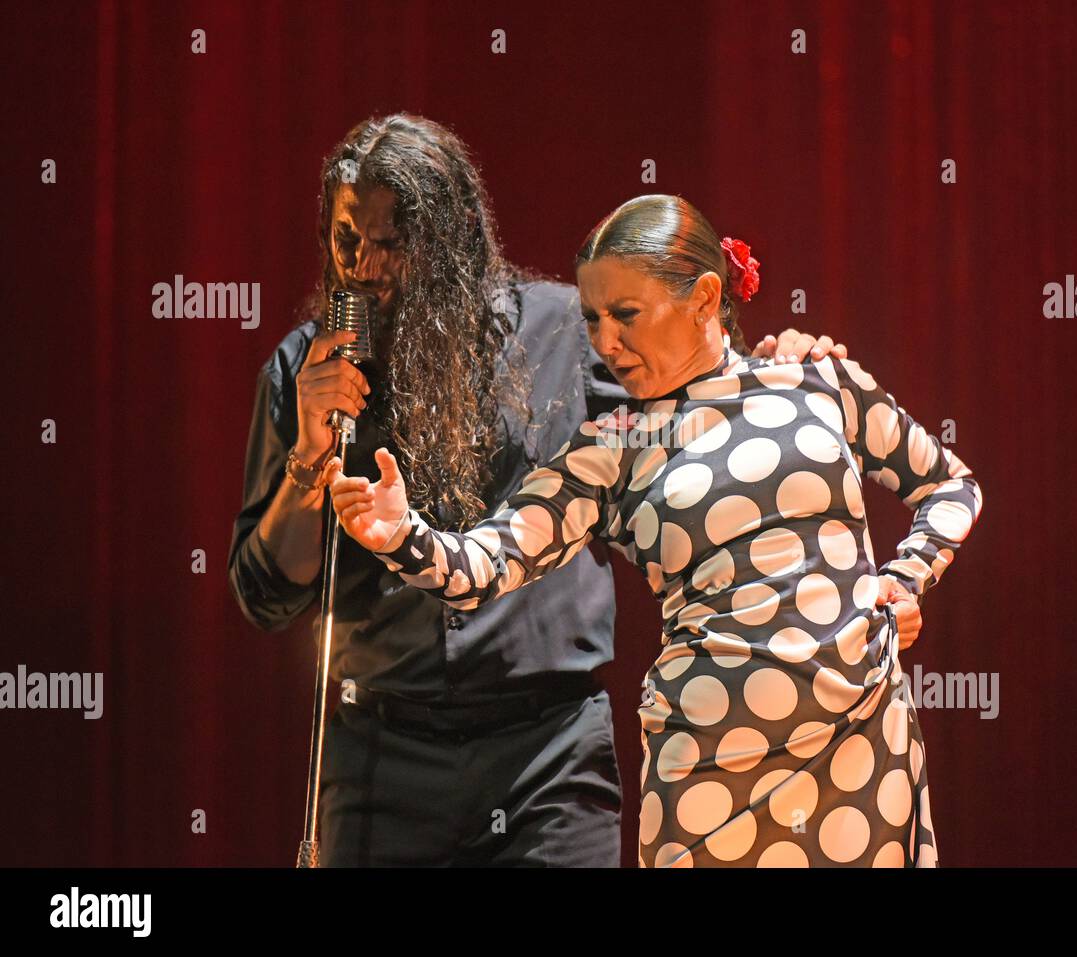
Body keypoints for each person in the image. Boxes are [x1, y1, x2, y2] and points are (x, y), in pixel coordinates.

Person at [227, 115, 846, 866]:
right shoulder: (305, 372)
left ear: (449, 240)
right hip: (379, 756)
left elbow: (706, 428)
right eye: (346, 238)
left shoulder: (562, 335)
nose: (363, 266)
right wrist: (307, 459)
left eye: (391, 243)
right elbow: (267, 595)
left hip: (545, 757)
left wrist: (776, 367)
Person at [324, 193, 983, 867]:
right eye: (592, 319)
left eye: (626, 314)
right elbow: (489, 562)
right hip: (709, 776)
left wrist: (904, 580)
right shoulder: (614, 445)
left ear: (703, 298)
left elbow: (951, 484)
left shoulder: (817, 382)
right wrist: (402, 534)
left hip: (858, 746)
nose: (605, 341)